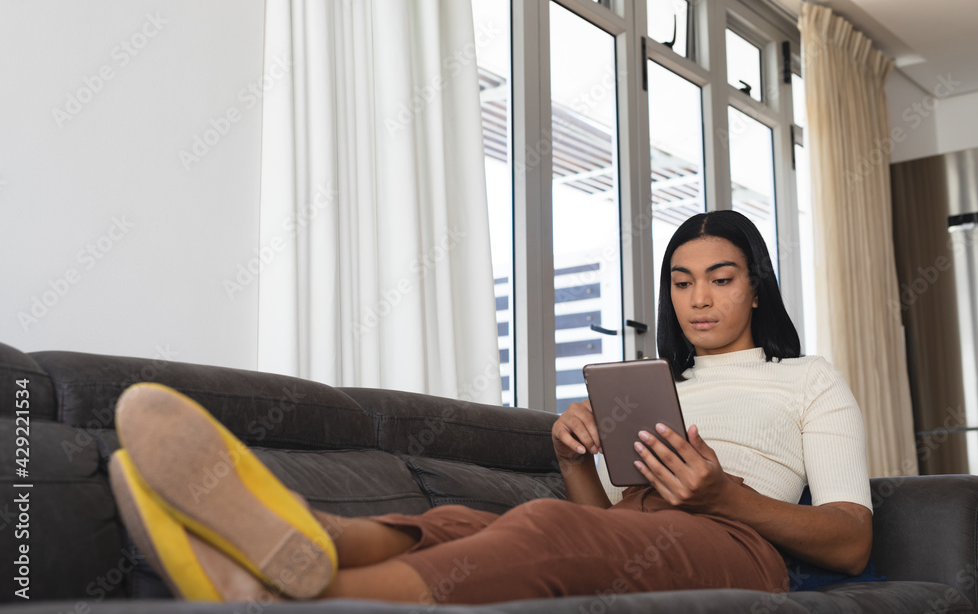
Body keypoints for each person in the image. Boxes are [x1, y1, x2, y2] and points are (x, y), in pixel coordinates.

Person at [108, 209, 872, 605]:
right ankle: (310, 539)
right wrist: (575, 457)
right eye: (681, 280)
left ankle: (303, 598)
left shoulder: (808, 379)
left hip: (742, 549)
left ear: (757, 285)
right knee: (462, 522)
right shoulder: (656, 385)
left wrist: (722, 493)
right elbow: (604, 528)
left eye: (721, 276)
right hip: (639, 532)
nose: (698, 296)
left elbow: (851, 543)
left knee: (539, 527)